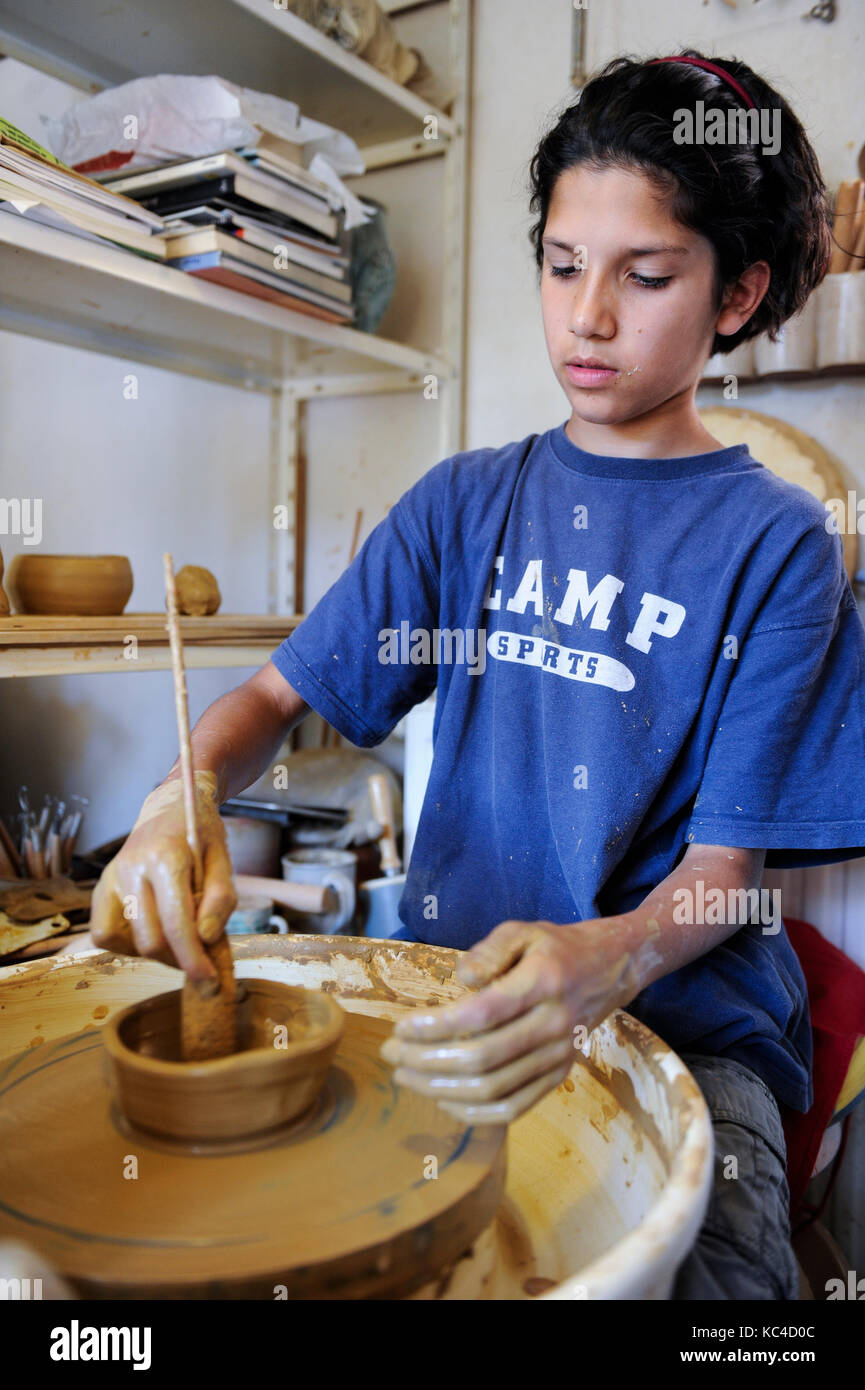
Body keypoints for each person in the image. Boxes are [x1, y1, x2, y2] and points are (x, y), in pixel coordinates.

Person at [91, 51, 865, 1300]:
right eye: (562, 266)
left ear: (738, 293)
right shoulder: (466, 503)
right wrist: (179, 793)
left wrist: (603, 961)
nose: (586, 317)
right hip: (451, 994)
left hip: (684, 1024)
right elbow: (275, 703)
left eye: (645, 275)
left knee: (721, 1297)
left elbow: (726, 886)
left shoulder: (777, 545)